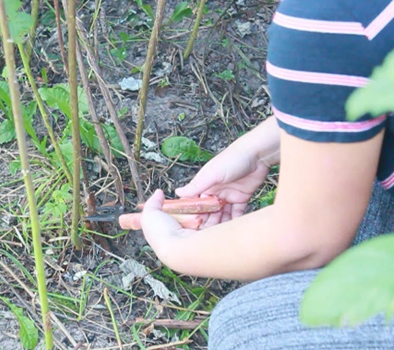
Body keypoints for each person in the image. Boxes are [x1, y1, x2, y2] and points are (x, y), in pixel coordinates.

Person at [136, 0, 394, 348]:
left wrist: (178, 247)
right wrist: (259, 150)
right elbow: (362, 67)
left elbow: (306, 242)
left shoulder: (326, 16)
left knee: (244, 330)